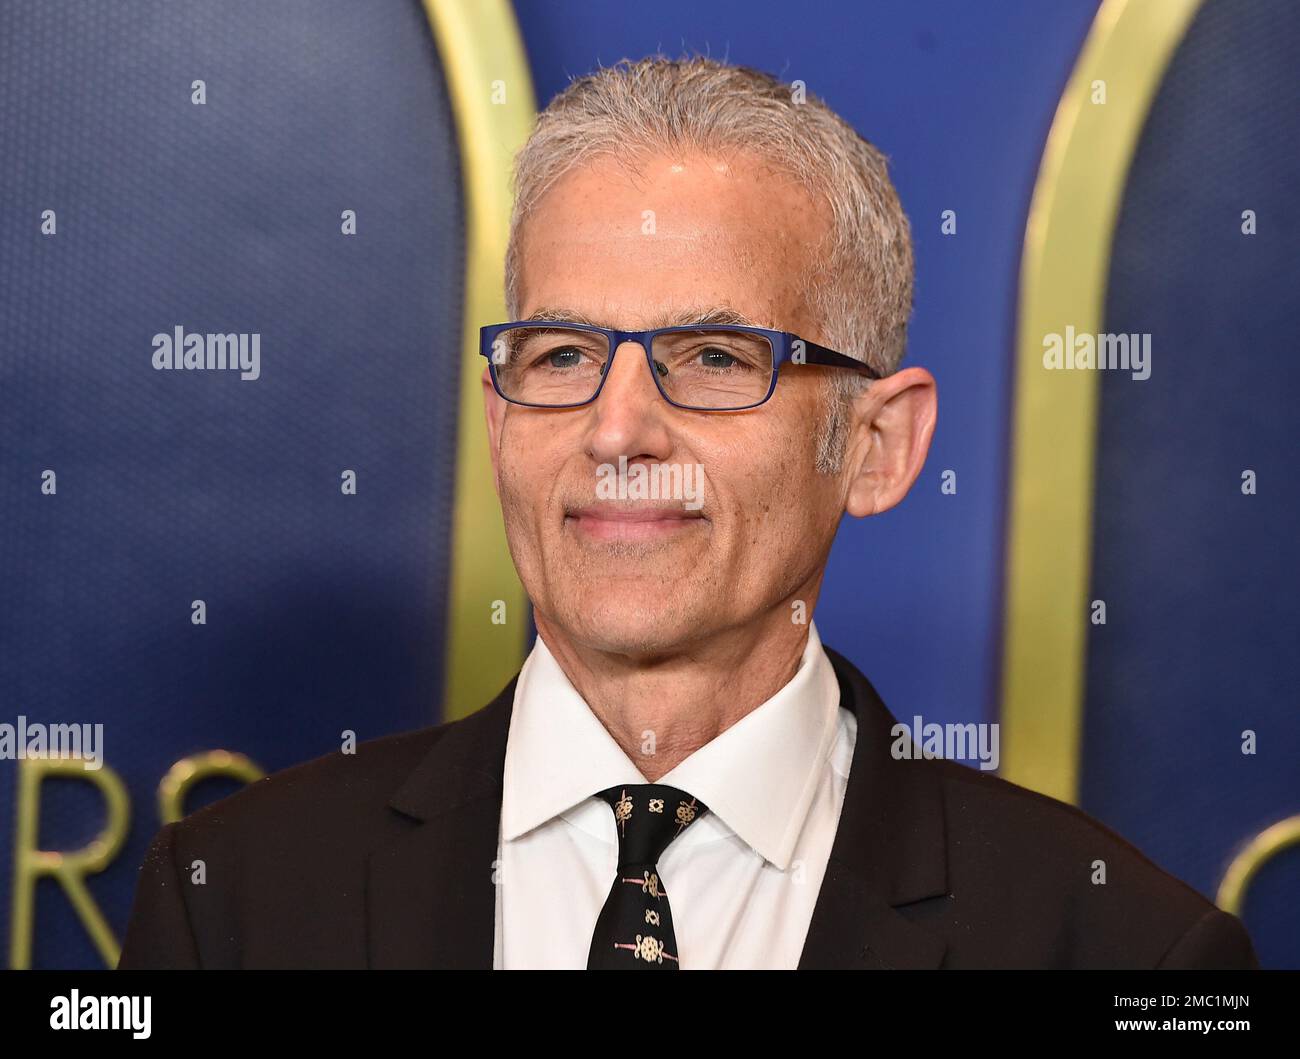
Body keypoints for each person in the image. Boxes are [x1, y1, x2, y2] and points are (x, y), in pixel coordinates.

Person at [118, 55, 1258, 970]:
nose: (616, 432)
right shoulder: (236, 905)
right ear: (497, 415)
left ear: (876, 445)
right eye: (561, 355)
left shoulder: (1120, 949)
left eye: (712, 358)